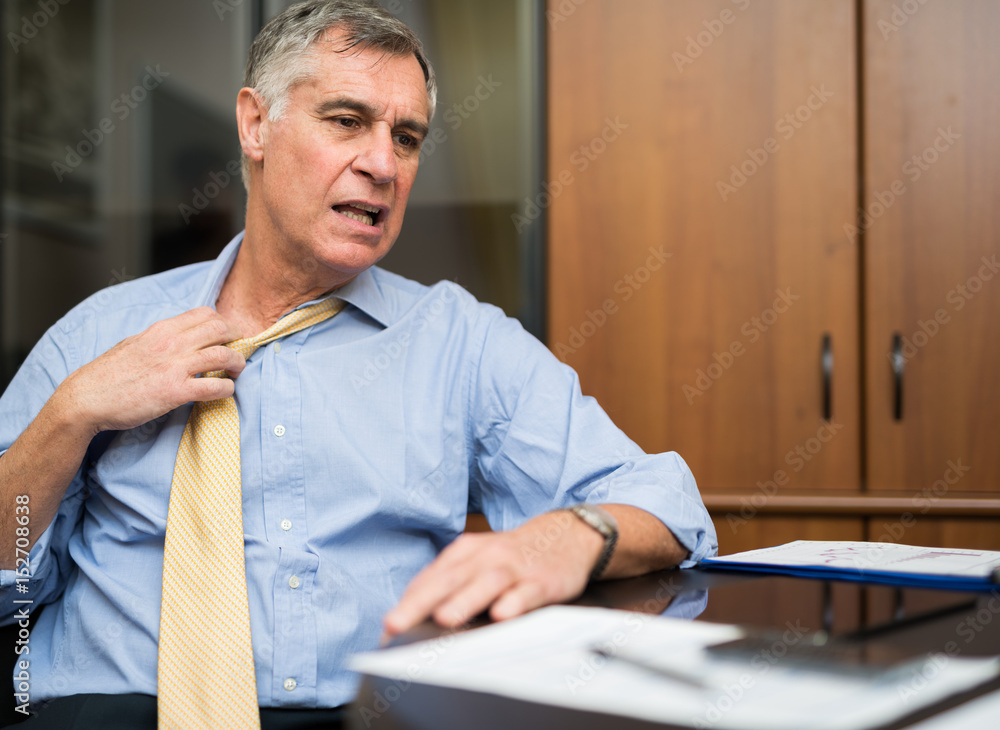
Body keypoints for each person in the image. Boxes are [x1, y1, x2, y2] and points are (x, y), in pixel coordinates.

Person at [0, 1, 716, 727]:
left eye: (406, 138)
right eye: (347, 121)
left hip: (370, 713)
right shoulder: (95, 337)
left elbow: (670, 504)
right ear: (255, 124)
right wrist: (69, 416)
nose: (383, 164)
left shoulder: (458, 340)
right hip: (105, 710)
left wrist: (563, 537)